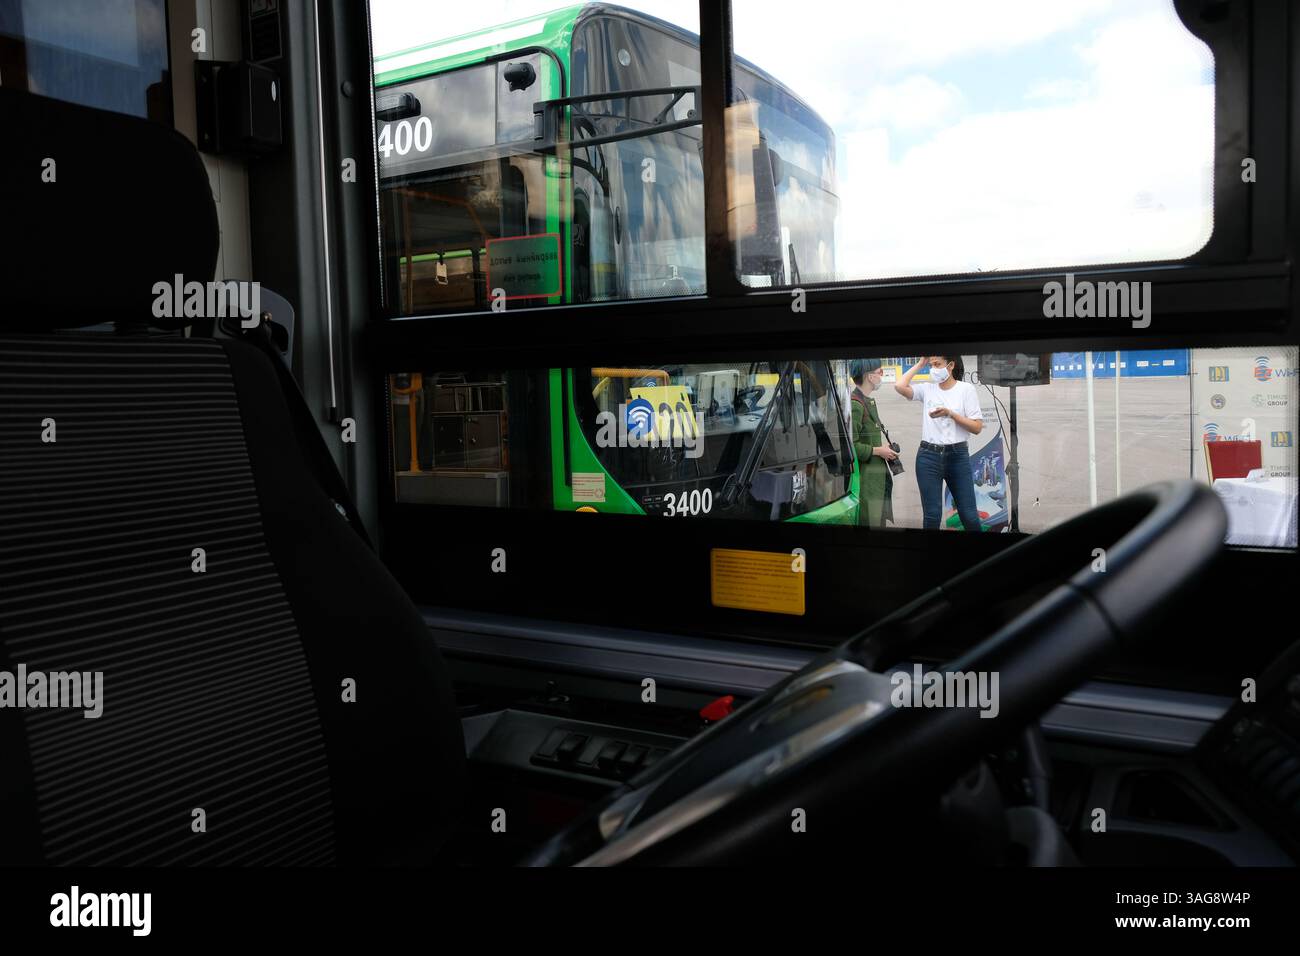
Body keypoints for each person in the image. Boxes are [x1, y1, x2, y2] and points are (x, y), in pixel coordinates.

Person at [894, 354, 984, 531]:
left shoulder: (966, 389)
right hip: (928, 457)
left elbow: (976, 427)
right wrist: (920, 363)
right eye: (932, 365)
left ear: (950, 366)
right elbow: (899, 386)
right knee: (932, 516)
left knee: (969, 515)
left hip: (957, 456)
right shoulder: (928, 389)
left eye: (937, 364)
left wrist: (951, 414)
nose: (933, 369)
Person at [849, 359, 897, 527]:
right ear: (870, 376)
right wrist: (878, 451)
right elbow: (851, 447)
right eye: (880, 372)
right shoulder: (856, 404)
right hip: (866, 480)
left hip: (875, 476)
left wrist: (884, 449)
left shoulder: (864, 401)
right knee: (870, 523)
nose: (882, 375)